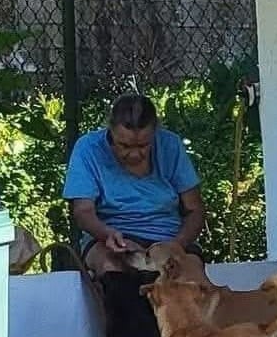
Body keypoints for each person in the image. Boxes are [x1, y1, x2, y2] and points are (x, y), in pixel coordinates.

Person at [62, 92, 205, 276]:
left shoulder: (171, 145)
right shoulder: (88, 148)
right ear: (110, 131)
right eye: (124, 146)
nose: (135, 155)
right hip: (111, 239)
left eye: (144, 145)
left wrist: (177, 244)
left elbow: (195, 209)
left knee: (191, 271)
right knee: (111, 268)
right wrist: (108, 235)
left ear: (155, 133)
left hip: (169, 238)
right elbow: (82, 211)